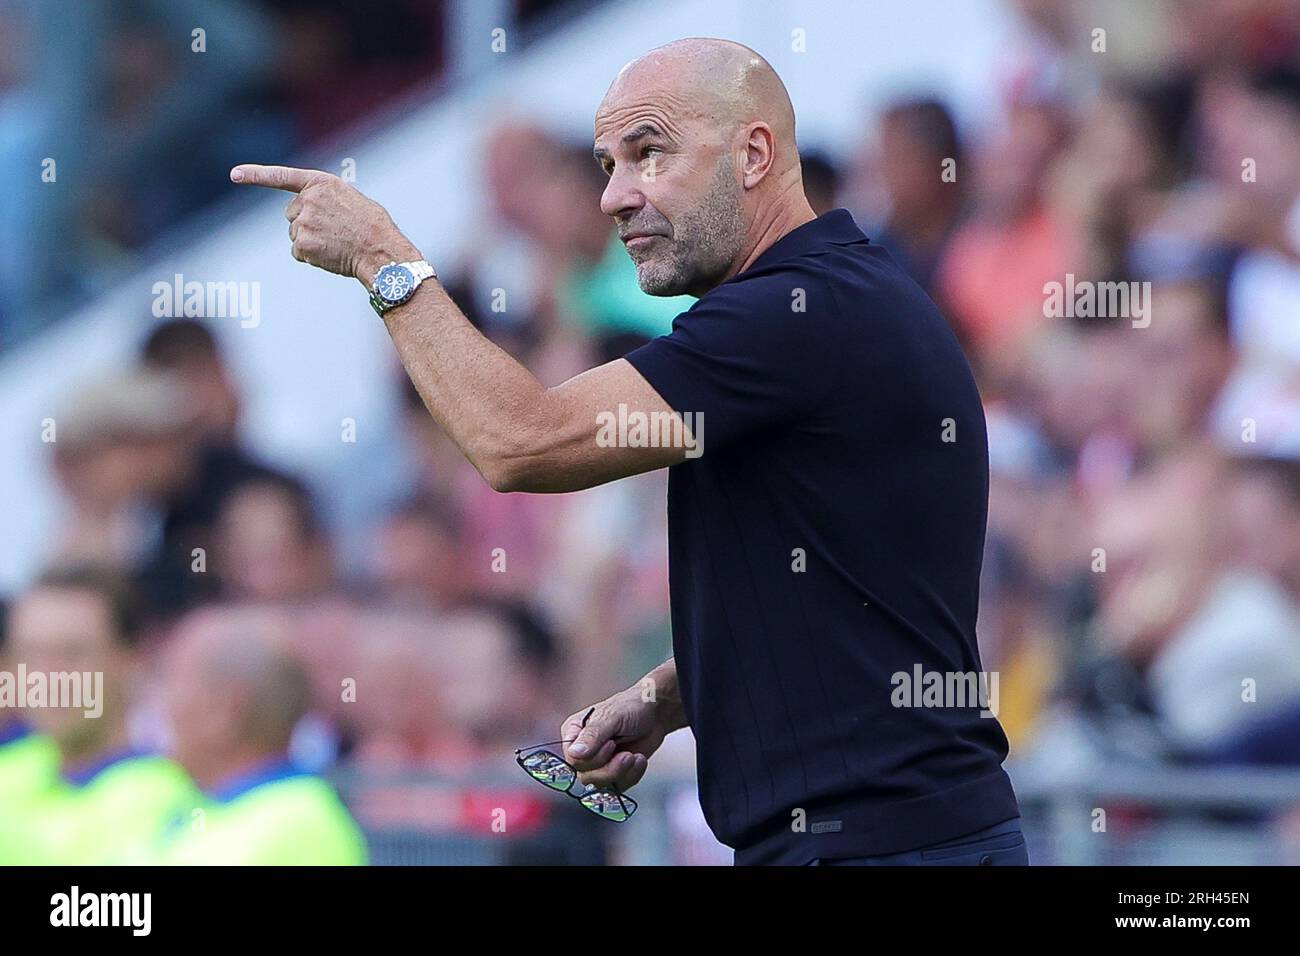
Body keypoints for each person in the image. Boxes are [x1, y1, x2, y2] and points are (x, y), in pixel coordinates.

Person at [230, 37, 1024, 865]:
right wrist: (669, 695)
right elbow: (854, 607)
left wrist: (382, 259)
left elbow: (521, 445)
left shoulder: (794, 313)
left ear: (753, 154)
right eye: (608, 163)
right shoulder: (831, 301)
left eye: (649, 154)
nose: (614, 195)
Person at [0, 564, 196, 864]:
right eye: (30, 653)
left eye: (73, 653)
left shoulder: (165, 797)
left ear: (133, 659)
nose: (49, 676)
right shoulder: (11, 765)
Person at [146, 608, 366, 865]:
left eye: (170, 681)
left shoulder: (296, 825)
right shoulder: (199, 803)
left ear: (224, 710)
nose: (159, 704)